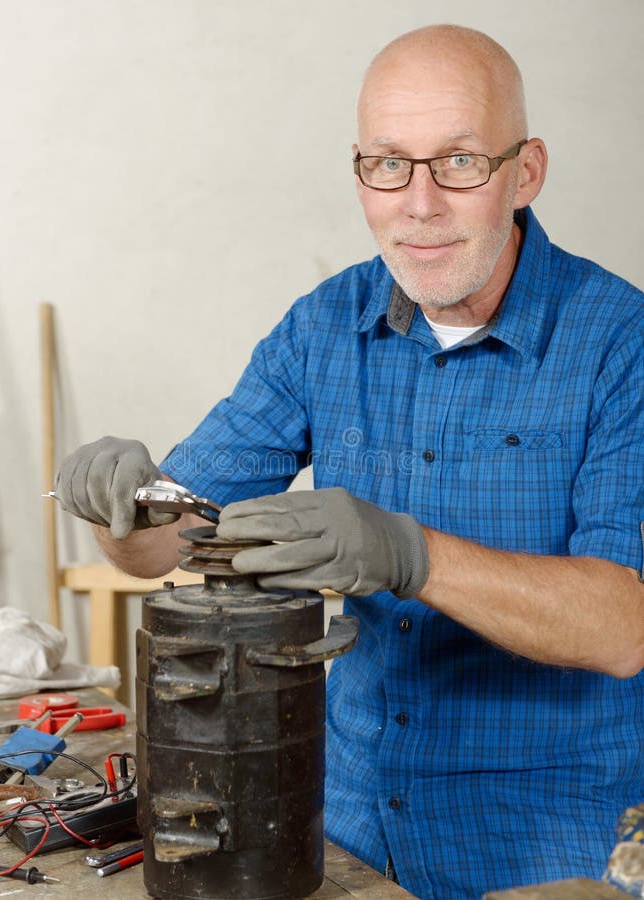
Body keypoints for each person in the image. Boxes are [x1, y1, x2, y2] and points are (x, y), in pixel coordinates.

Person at [55, 25, 644, 900]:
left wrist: (408, 554)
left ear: (524, 172)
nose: (418, 202)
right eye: (386, 164)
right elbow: (163, 545)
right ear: (359, 172)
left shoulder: (619, 343)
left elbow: (622, 627)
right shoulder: (322, 327)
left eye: (458, 161)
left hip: (545, 835)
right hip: (340, 819)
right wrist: (121, 506)